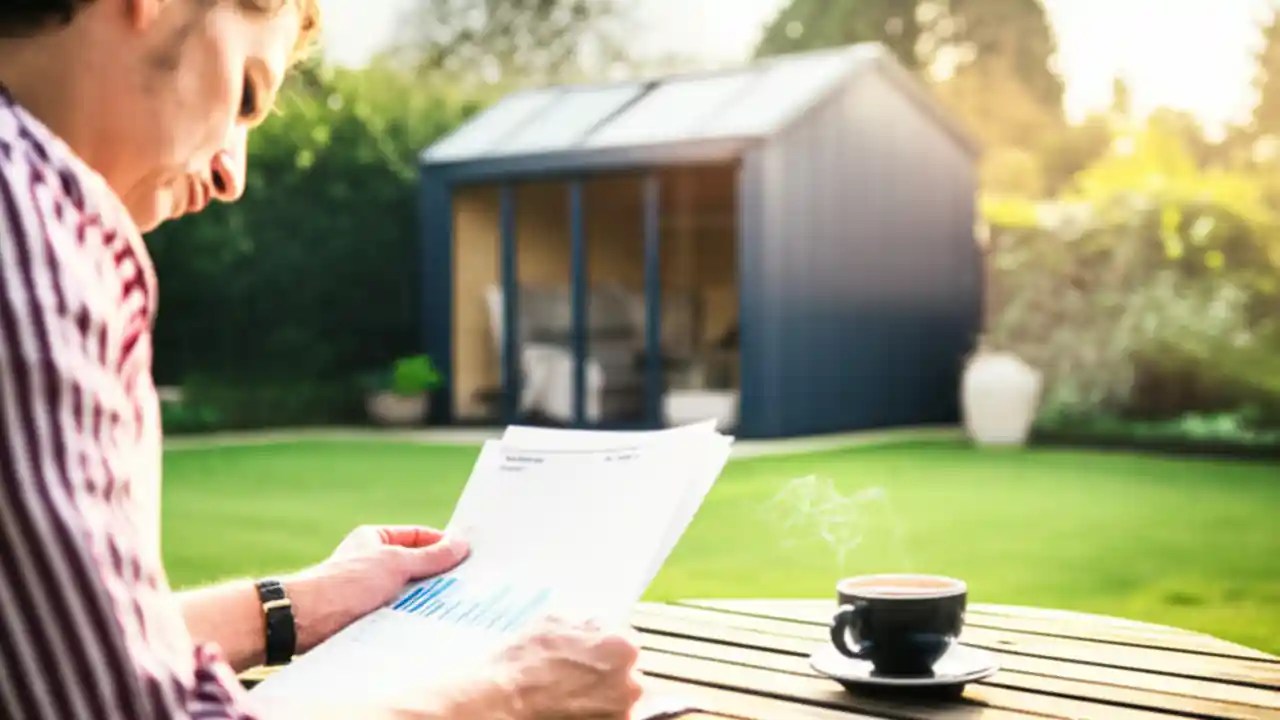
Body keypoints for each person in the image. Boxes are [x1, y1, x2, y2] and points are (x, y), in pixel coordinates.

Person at [0, 1, 644, 718]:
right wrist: (514, 694)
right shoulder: (34, 236)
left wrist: (299, 605)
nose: (231, 176)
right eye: (246, 94)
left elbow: (51, 655)